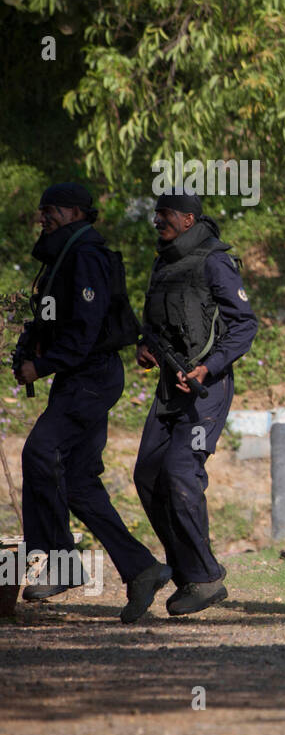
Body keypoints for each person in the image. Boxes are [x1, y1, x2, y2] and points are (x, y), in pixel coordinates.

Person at [15, 183, 168, 623]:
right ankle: (142, 569)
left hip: (92, 375)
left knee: (41, 453)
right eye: (41, 209)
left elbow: (84, 332)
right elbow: (48, 315)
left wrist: (41, 368)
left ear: (73, 212)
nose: (42, 217)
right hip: (79, 376)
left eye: (49, 210)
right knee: (78, 480)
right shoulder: (63, 256)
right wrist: (30, 350)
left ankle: (61, 565)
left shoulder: (85, 256)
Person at [134, 190, 257, 616]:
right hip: (170, 386)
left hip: (207, 389)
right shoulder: (163, 261)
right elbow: (153, 321)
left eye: (164, 215)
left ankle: (204, 578)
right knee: (148, 475)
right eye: (155, 214)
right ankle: (191, 573)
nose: (157, 221)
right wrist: (144, 348)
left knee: (181, 471)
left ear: (187, 220)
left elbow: (245, 326)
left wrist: (208, 368)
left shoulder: (214, 260)